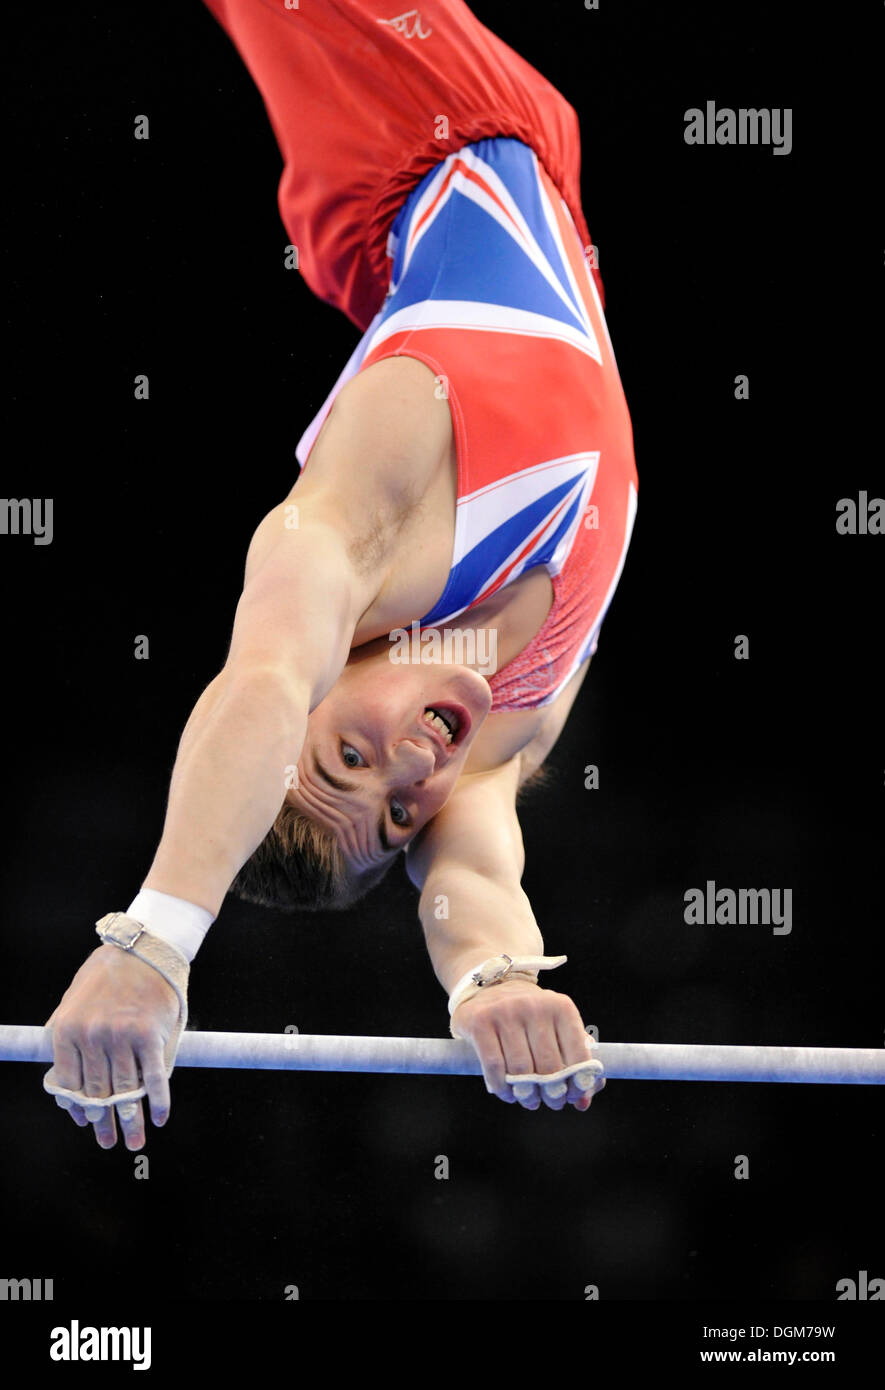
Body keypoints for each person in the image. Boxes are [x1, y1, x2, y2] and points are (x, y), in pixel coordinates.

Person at [42, 0, 638, 1149]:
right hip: (531, 169)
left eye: (346, 757)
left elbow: (260, 680)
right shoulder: (510, 723)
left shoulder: (348, 539)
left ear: (327, 681)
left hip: (404, 131)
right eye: (400, 805)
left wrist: (154, 943)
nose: (417, 765)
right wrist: (495, 987)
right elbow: (473, 876)